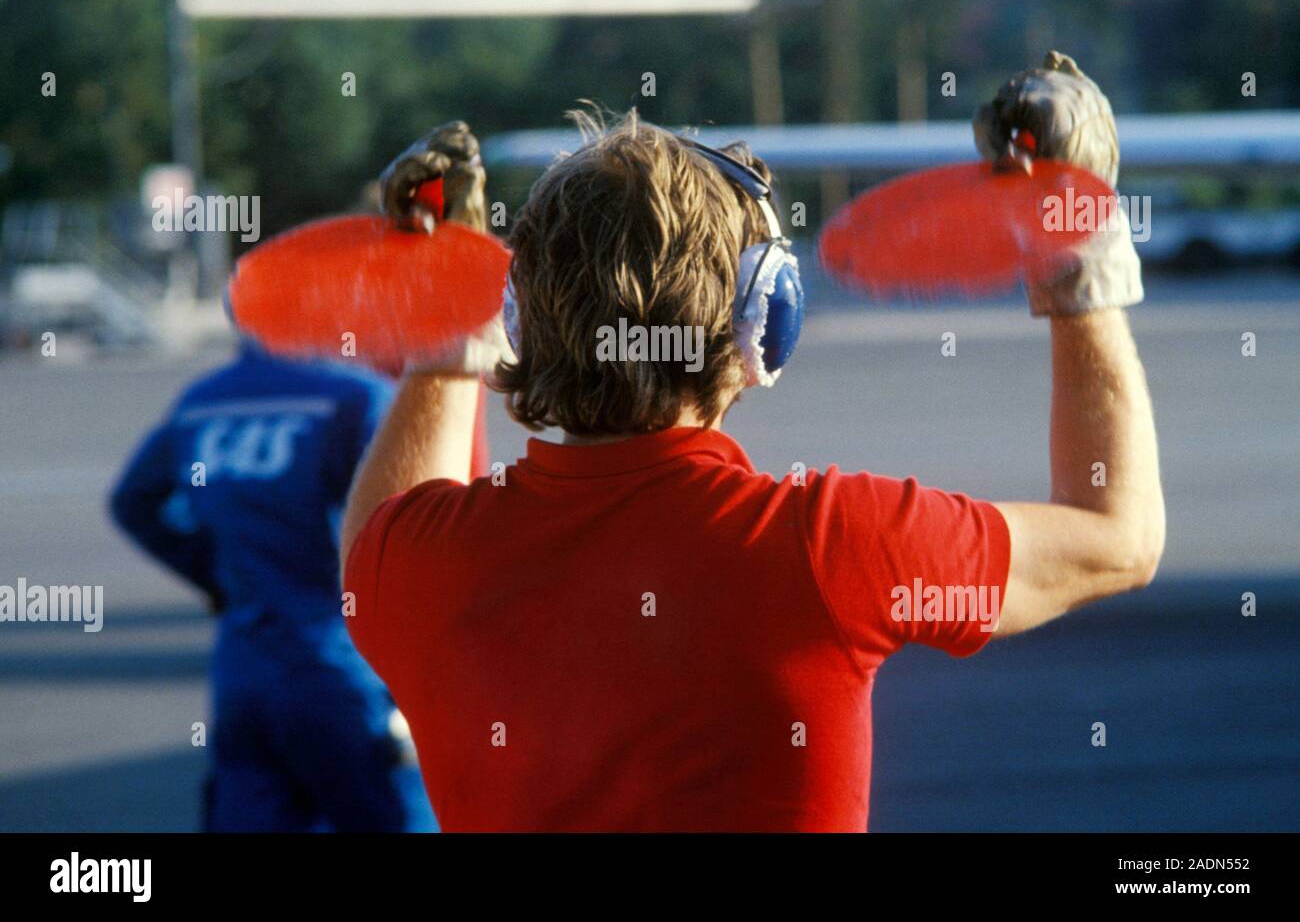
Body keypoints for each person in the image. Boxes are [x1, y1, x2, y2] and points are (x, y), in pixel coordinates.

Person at [341, 54, 1165, 832]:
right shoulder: (834, 545)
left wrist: (447, 324)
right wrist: (1076, 242)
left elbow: (376, 533)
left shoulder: (412, 566)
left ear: (520, 320)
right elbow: (1117, 537)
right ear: (763, 322)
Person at [109, 341, 438, 832]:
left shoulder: (204, 400)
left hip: (243, 670)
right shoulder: (356, 397)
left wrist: (217, 575)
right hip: (339, 667)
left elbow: (134, 502)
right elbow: (409, 533)